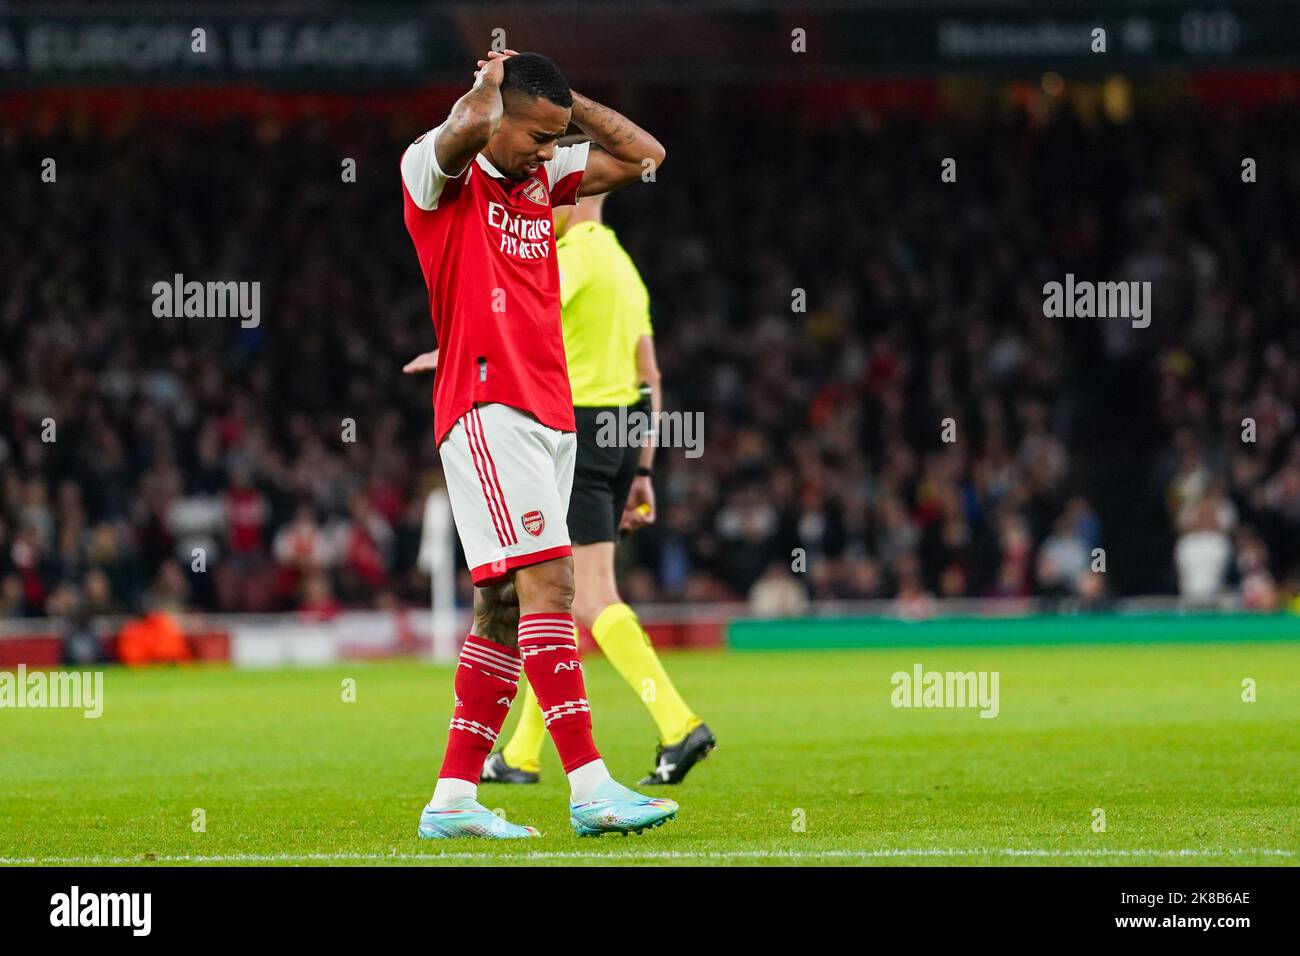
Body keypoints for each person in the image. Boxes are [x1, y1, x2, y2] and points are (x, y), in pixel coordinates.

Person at [400, 49, 676, 839]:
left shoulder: (539, 180)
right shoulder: (435, 175)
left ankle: (452, 800)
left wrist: (566, 103)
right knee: (551, 584)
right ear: (498, 115)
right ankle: (589, 786)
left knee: (496, 608)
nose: (550, 154)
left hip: (554, 413)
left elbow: (644, 156)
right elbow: (464, 133)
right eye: (538, 136)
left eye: (558, 139)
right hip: (490, 408)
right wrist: (489, 88)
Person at [473, 188, 716, 786]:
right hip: (622, 431)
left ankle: (678, 723)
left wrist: (461, 356)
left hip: (575, 429)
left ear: (569, 200)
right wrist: (643, 471)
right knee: (560, 593)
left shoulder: (573, 257)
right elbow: (650, 377)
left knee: (585, 597)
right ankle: (522, 754)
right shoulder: (625, 269)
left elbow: (524, 322)